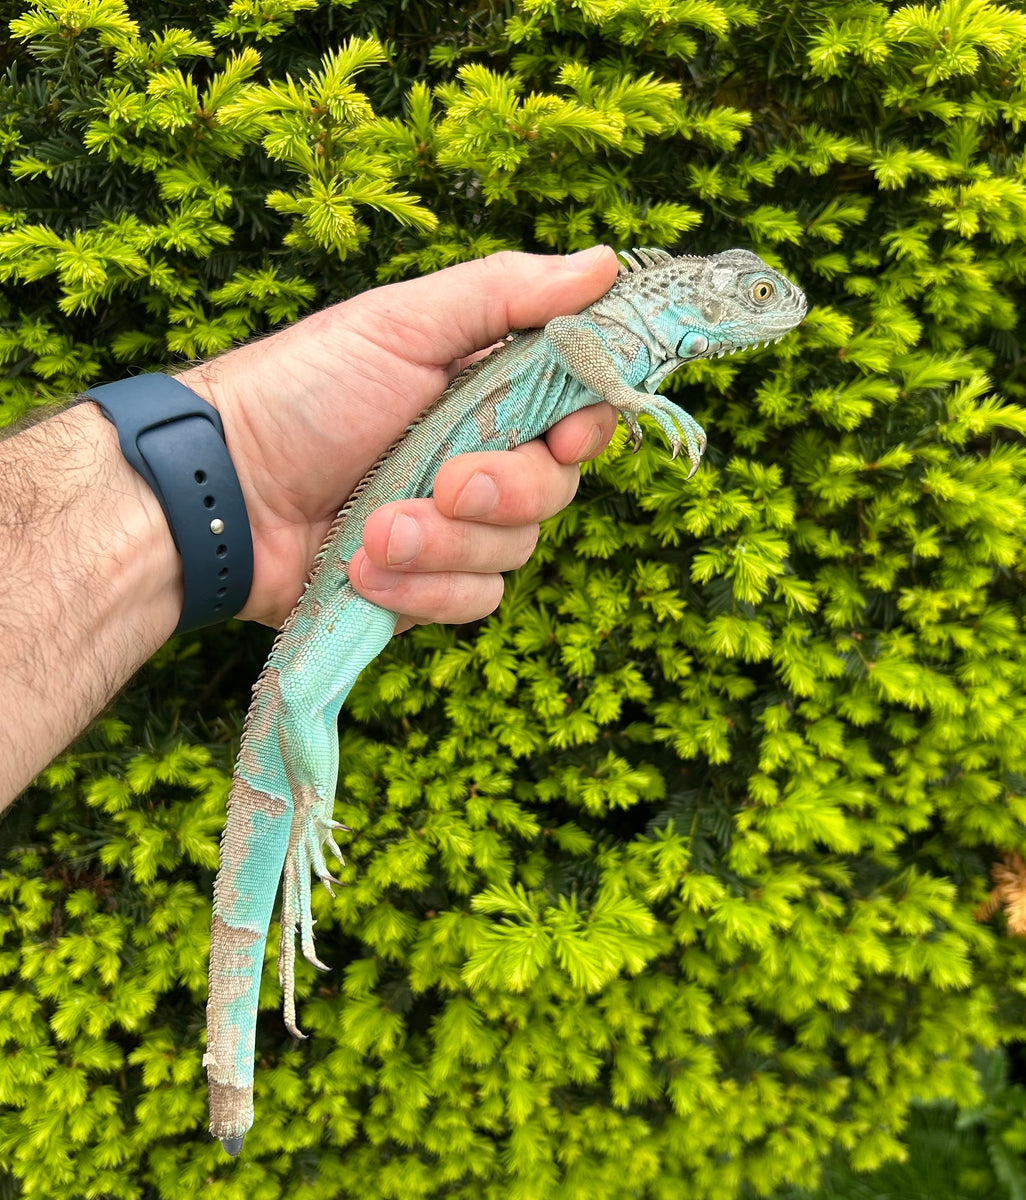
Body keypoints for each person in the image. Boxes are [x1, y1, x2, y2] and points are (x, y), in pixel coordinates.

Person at [0, 246, 621, 805]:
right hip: (332, 529)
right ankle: (307, 813)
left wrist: (234, 475)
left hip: (323, 528)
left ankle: (302, 817)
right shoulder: (603, 318)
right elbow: (569, 332)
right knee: (305, 700)